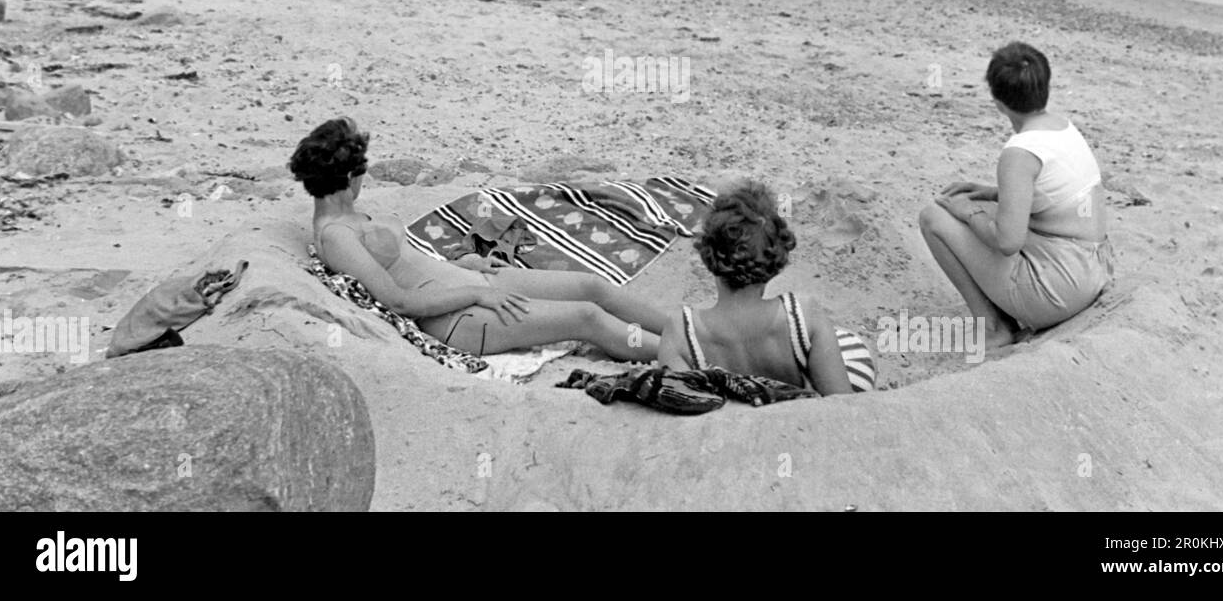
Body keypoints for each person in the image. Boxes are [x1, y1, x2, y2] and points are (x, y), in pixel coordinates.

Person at [291, 118, 666, 360]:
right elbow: (399, 300)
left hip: (471, 283)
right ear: (349, 176)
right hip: (457, 319)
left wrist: (463, 266)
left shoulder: (349, 218)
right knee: (587, 318)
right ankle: (687, 355)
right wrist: (475, 292)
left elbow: (410, 265)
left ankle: (690, 332)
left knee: (592, 286)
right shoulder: (337, 236)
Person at [919, 42, 1113, 350]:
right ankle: (1004, 316)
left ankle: (994, 327)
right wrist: (992, 194)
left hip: (1059, 290)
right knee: (985, 208)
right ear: (1044, 86)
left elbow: (1008, 243)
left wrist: (967, 212)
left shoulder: (1020, 152)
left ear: (998, 102)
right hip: (1093, 269)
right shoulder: (1062, 127)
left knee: (933, 217)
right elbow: (1053, 194)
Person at [656, 181, 856, 395]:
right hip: (795, 423)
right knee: (857, 350)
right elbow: (843, 403)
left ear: (708, 255)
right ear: (776, 258)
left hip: (726, 422)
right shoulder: (804, 316)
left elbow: (683, 407)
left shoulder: (679, 333)